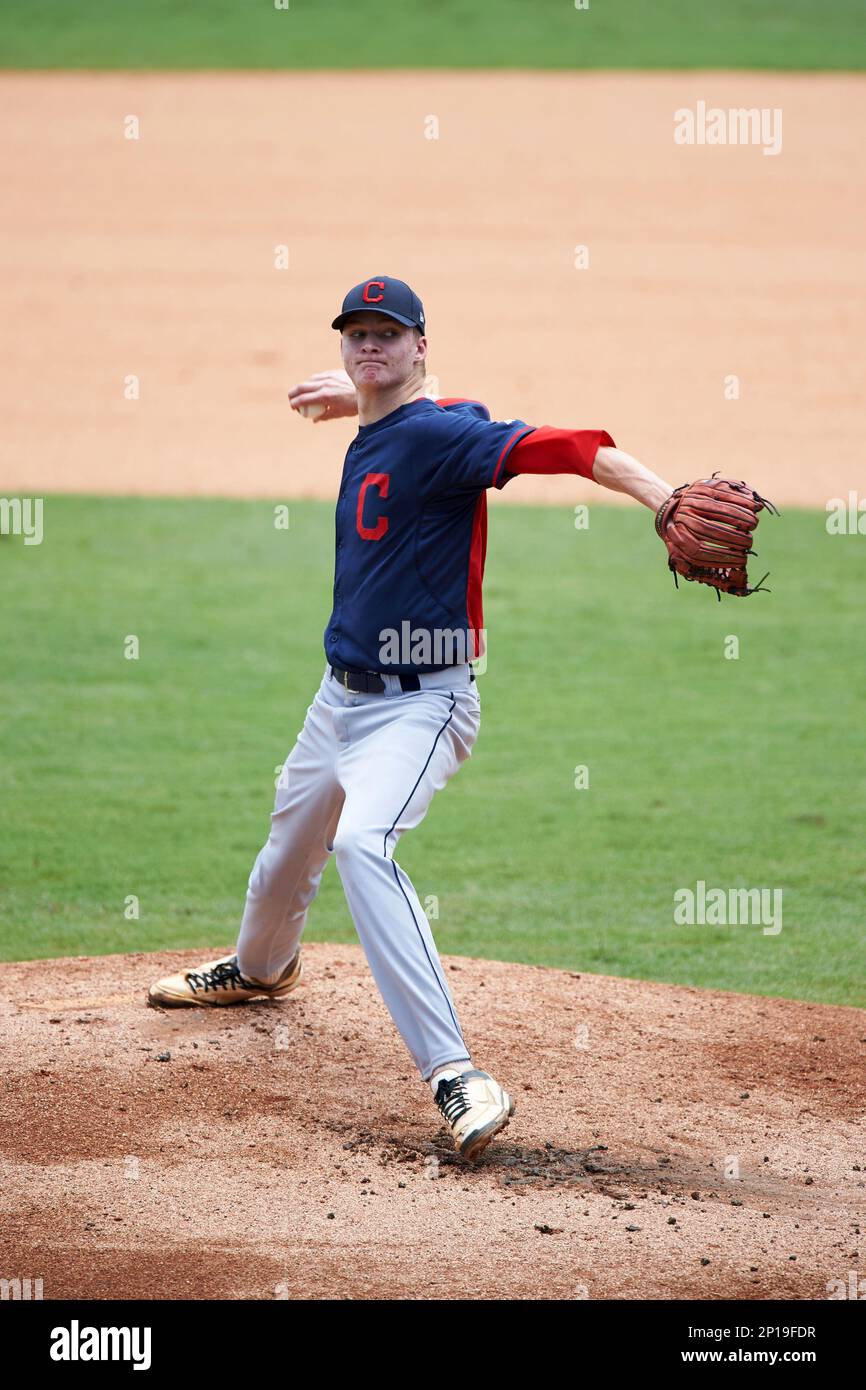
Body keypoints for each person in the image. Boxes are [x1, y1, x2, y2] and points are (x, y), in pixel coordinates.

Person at [148, 276, 674, 1162]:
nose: (369, 346)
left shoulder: (440, 435)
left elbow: (572, 448)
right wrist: (349, 390)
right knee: (286, 849)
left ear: (422, 345)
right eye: (357, 334)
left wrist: (660, 496)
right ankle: (262, 970)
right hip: (337, 700)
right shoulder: (388, 416)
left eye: (387, 335)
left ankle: (457, 1074)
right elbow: (412, 400)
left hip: (423, 704)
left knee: (362, 845)